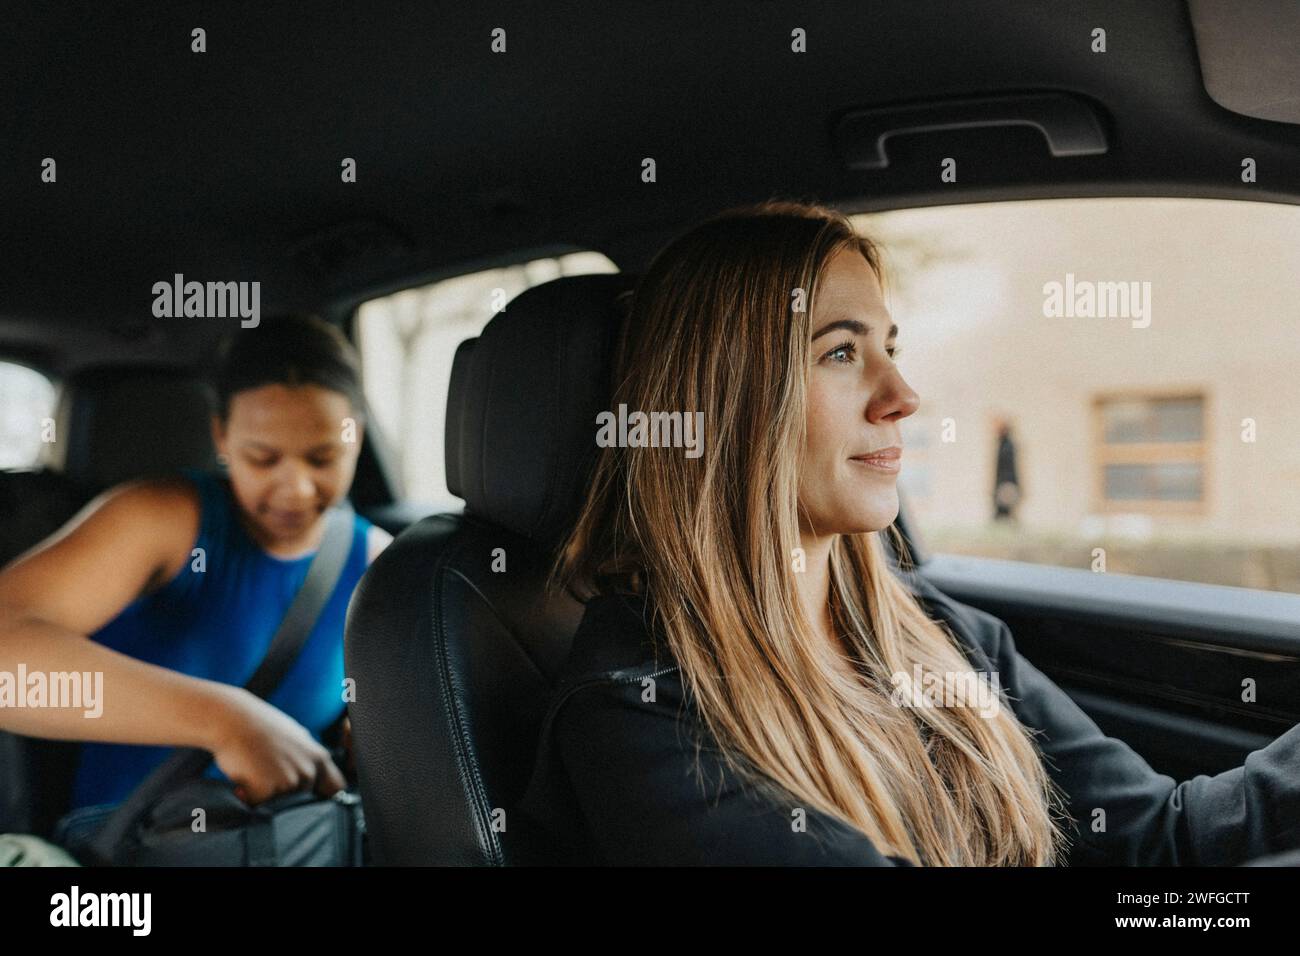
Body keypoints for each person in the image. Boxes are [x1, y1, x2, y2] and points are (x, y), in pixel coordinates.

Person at [519, 201, 1300, 866]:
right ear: (727, 400)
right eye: (840, 351)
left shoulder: (942, 633)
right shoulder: (640, 713)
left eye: (890, 348)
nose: (902, 395)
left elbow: (1160, 837)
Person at [0, 314, 392, 864]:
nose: (296, 488)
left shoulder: (375, 561)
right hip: (127, 858)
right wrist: (225, 720)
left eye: (323, 457)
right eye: (263, 458)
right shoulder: (163, 518)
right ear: (221, 436)